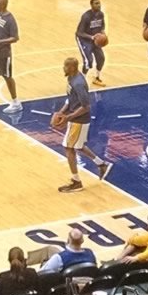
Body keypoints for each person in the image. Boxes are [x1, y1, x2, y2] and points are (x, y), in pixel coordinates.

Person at [54, 55, 111, 193]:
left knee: (68, 148)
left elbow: (86, 106)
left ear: (72, 67)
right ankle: (101, 164)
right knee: (78, 146)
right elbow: (70, 99)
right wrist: (60, 112)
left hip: (79, 120)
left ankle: (76, 182)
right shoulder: (71, 78)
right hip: (75, 119)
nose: (64, 67)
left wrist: (68, 117)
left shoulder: (78, 83)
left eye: (66, 65)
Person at [75, 0, 108, 86]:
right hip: (83, 39)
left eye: (99, 3)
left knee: (101, 58)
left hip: (95, 39)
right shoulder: (86, 16)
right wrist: (91, 37)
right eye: (96, 3)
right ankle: (82, 81)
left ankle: (96, 78)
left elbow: (102, 27)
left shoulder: (101, 14)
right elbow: (79, 32)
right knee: (88, 61)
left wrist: (103, 34)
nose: (99, 5)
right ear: (91, 5)